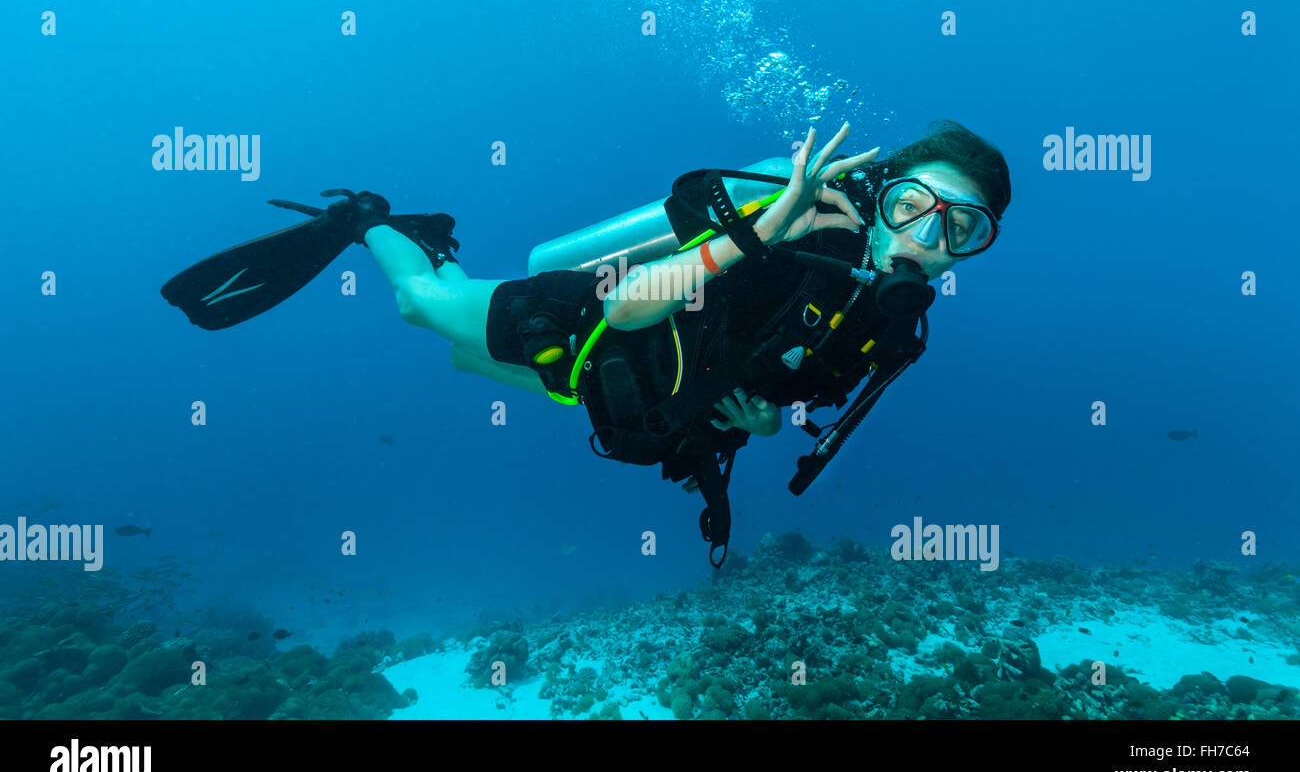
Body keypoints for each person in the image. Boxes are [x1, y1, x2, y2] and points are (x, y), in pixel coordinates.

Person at [162, 119, 1010, 564]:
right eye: (912, 206)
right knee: (424, 307)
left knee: (462, 358)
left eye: (960, 228)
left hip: (626, 394)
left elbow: (788, 392)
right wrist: (758, 233)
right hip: (586, 319)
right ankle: (372, 220)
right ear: (884, 192)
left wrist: (759, 428)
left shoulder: (892, 326)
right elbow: (632, 306)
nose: (926, 237)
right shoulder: (796, 230)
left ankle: (424, 248)